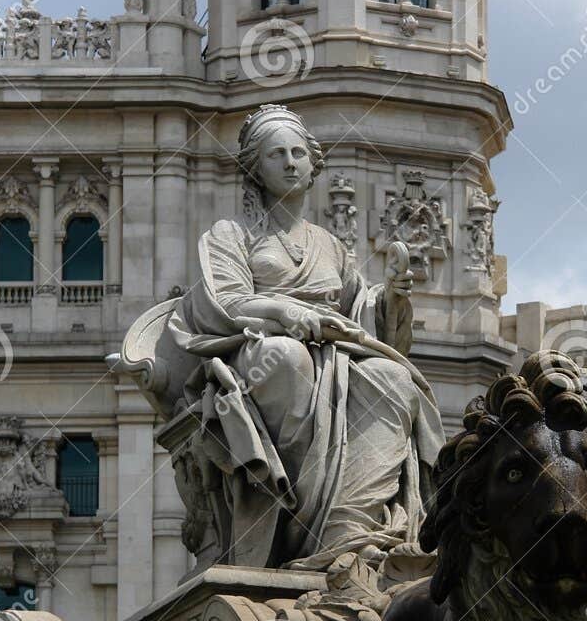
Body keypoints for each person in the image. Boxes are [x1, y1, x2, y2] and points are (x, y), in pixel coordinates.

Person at [111, 104, 443, 569]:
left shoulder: (330, 245)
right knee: (288, 361)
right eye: (276, 154)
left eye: (298, 153)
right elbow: (224, 304)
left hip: (337, 353)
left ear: (312, 164)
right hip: (259, 353)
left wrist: (392, 299)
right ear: (255, 169)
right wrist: (285, 313)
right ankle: (298, 519)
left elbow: (361, 313)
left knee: (393, 378)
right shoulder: (230, 234)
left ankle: (348, 524)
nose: (290, 162)